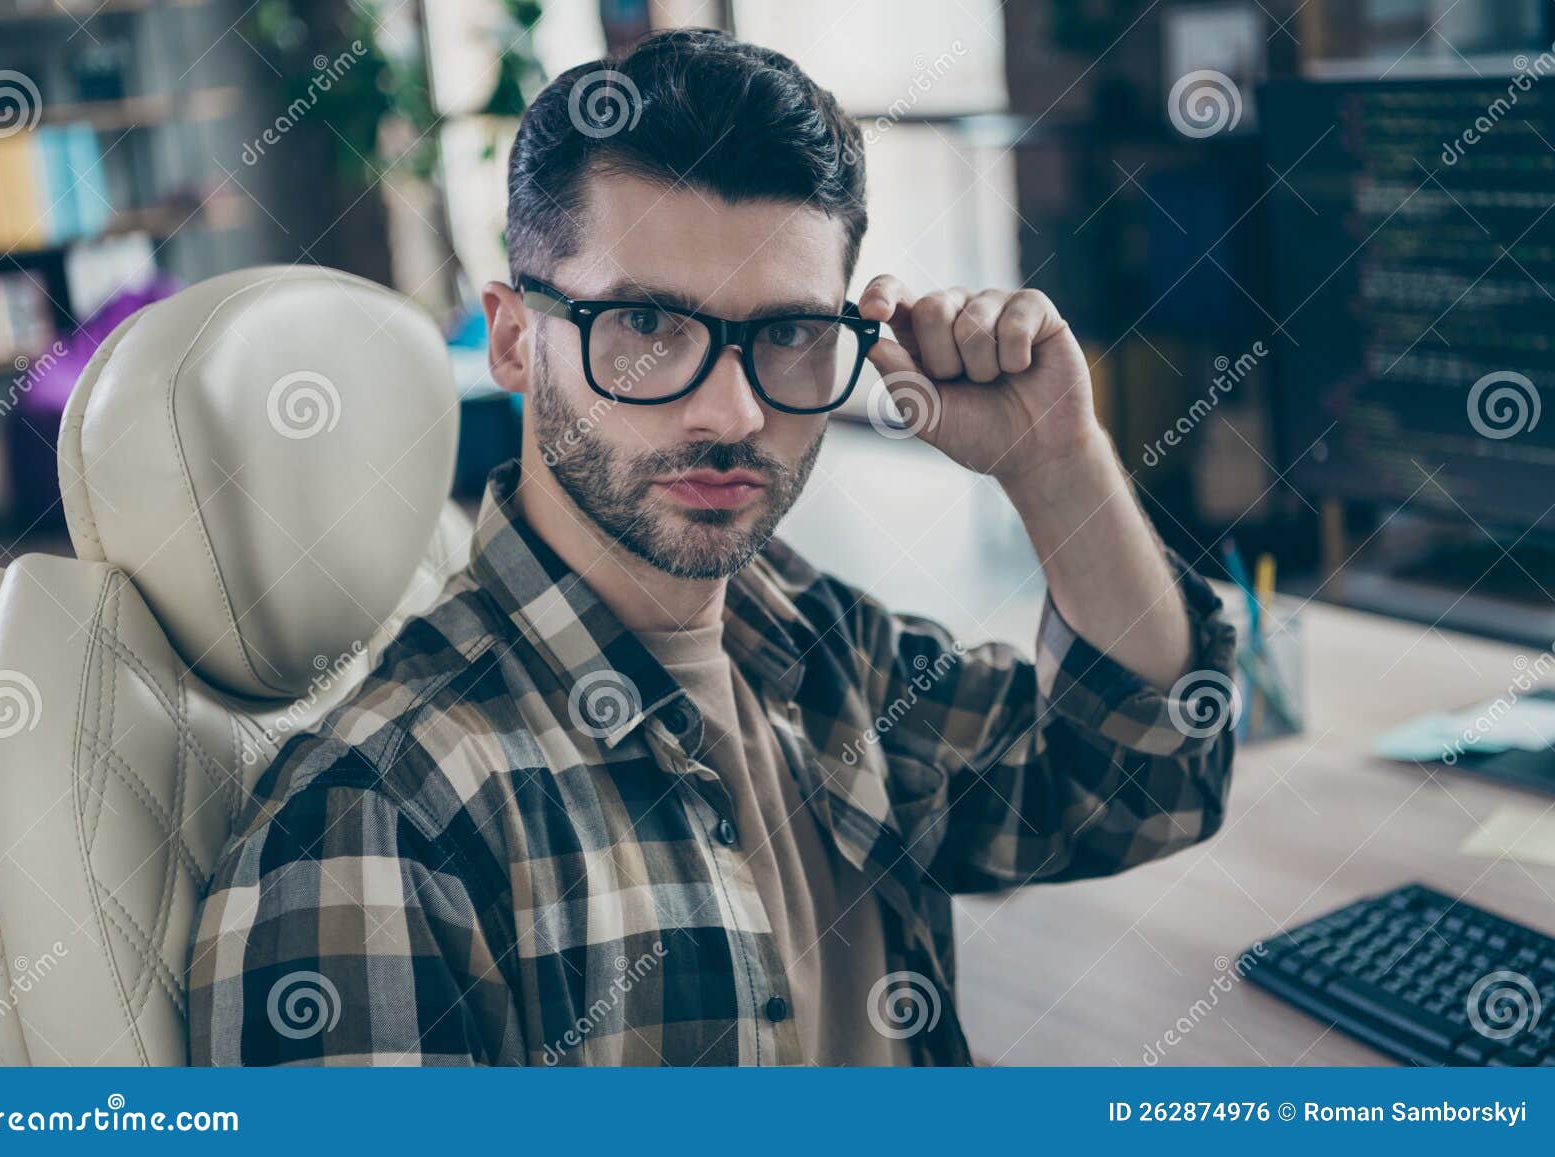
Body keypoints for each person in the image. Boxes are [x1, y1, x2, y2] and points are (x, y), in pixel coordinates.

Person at [188, 28, 1236, 1067]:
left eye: (787, 331)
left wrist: (1055, 465)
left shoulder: (812, 642)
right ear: (514, 337)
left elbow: (1143, 785)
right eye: (647, 322)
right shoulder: (376, 817)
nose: (729, 411)